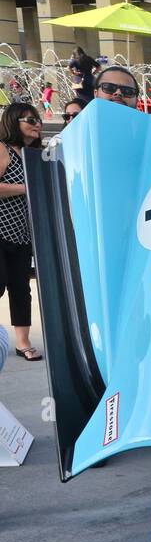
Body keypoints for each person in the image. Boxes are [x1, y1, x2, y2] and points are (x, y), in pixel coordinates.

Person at [0, 103, 43, 361]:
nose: (37, 123)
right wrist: (27, 187)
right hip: (1, 230)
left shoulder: (34, 155)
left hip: (24, 233)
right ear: (14, 122)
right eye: (31, 119)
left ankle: (22, 342)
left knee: (20, 288)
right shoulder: (4, 149)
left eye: (38, 119)